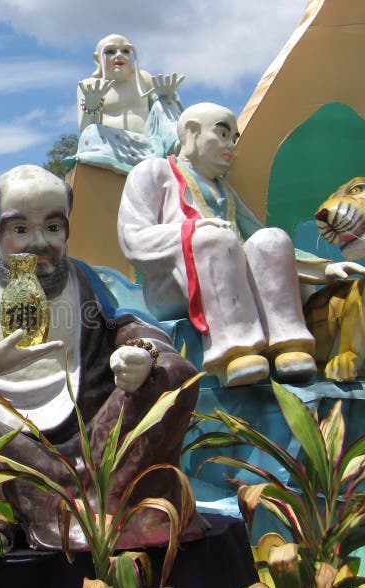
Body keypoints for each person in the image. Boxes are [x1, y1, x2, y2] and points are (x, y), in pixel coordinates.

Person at [0, 165, 205, 551]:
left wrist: (141, 354)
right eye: (20, 229)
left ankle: (119, 505)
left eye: (53, 228)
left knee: (171, 373)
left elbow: (147, 333)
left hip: (91, 431)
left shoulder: (96, 282)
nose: (39, 242)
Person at [118, 102, 365, 387]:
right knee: (216, 238)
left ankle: (287, 344)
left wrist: (326, 267)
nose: (231, 147)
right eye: (222, 134)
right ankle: (233, 351)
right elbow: (132, 237)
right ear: (192, 133)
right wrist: (191, 230)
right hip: (172, 286)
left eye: (234, 139)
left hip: (231, 280)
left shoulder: (224, 191)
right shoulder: (153, 172)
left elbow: (261, 238)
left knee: (271, 239)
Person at [65, 34, 184, 174]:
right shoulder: (89, 86)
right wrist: (92, 106)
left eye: (125, 51)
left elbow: (160, 114)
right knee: (91, 133)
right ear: (97, 59)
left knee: (163, 103)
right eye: (110, 51)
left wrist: (167, 95)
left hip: (149, 144)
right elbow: (86, 129)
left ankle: (179, 145)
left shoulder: (142, 78)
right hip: (111, 145)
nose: (119, 55)